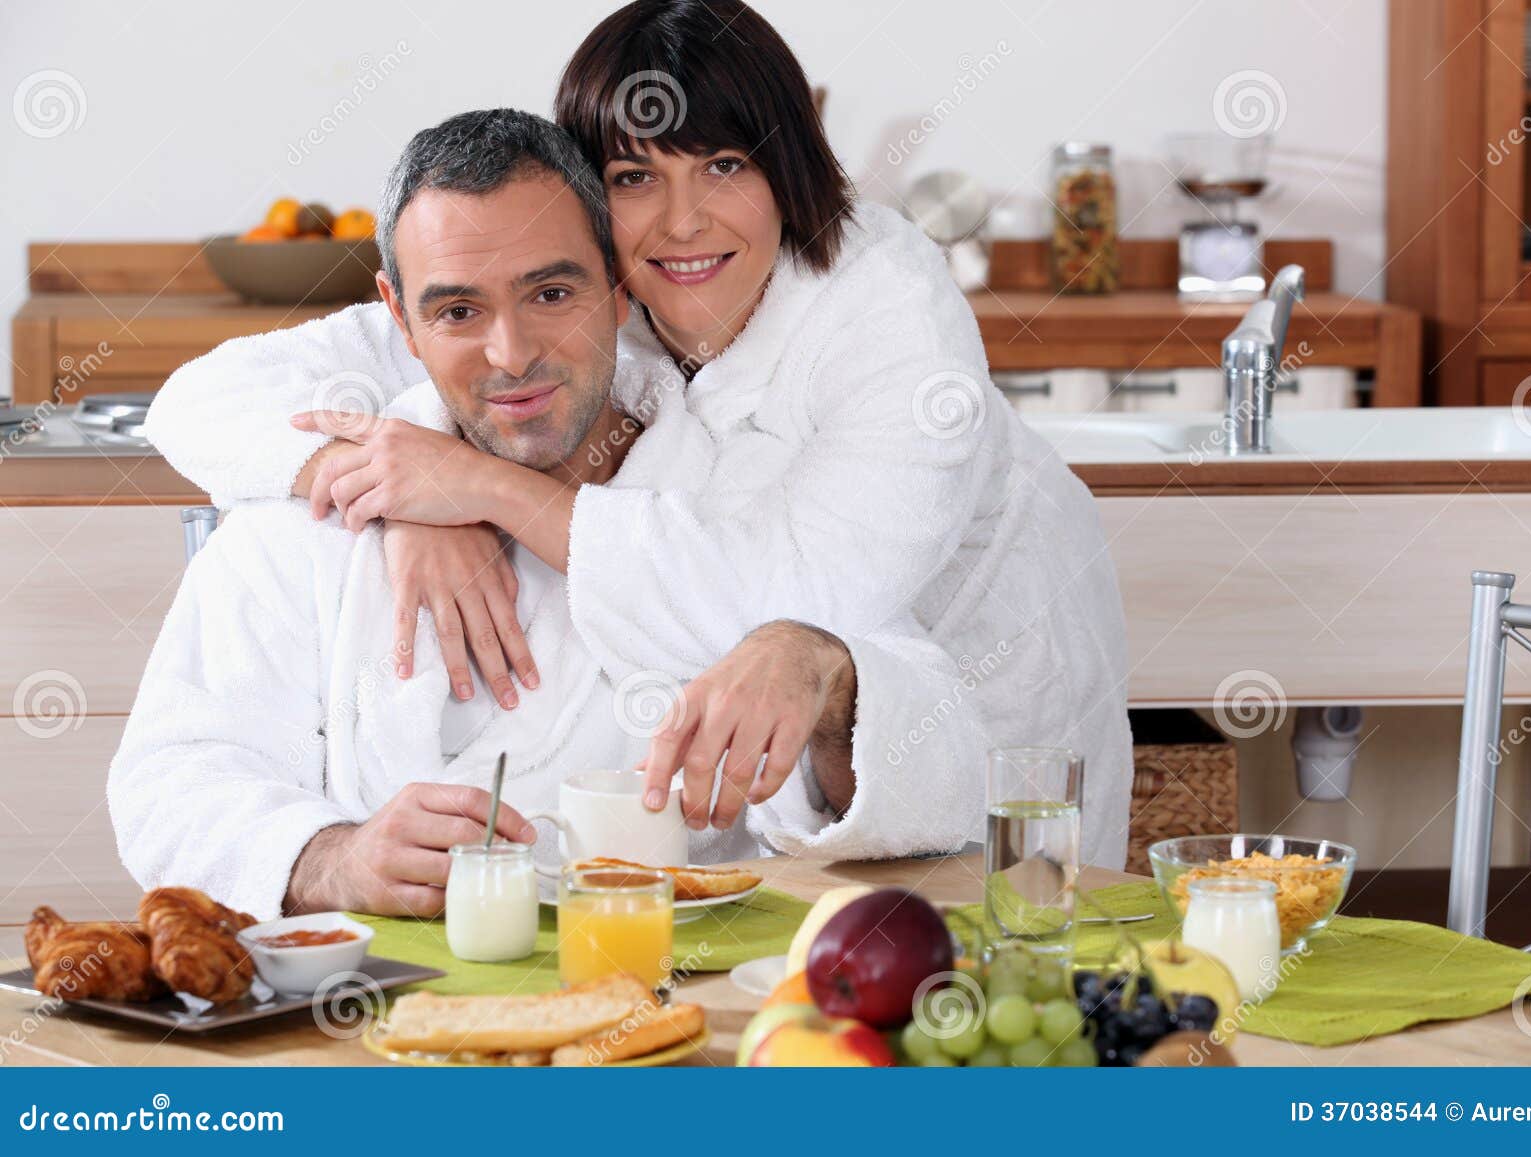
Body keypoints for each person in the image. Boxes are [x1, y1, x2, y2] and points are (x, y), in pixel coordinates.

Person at [145, 0, 1133, 866]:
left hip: (976, 676)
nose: (681, 221)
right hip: (777, 750)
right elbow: (203, 396)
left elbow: (804, 614)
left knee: (1033, 963)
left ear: (788, 169)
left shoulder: (889, 314)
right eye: (632, 175)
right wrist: (393, 492)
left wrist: (482, 489)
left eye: (725, 164)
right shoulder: (532, 285)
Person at [109, 110, 991, 921]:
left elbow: (945, 759)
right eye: (459, 310)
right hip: (380, 1025)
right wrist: (332, 858)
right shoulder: (303, 527)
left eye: (552, 294)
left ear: (618, 287)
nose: (513, 354)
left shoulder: (741, 501)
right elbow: (173, 776)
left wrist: (827, 672)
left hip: (683, 1017)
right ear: (398, 320)